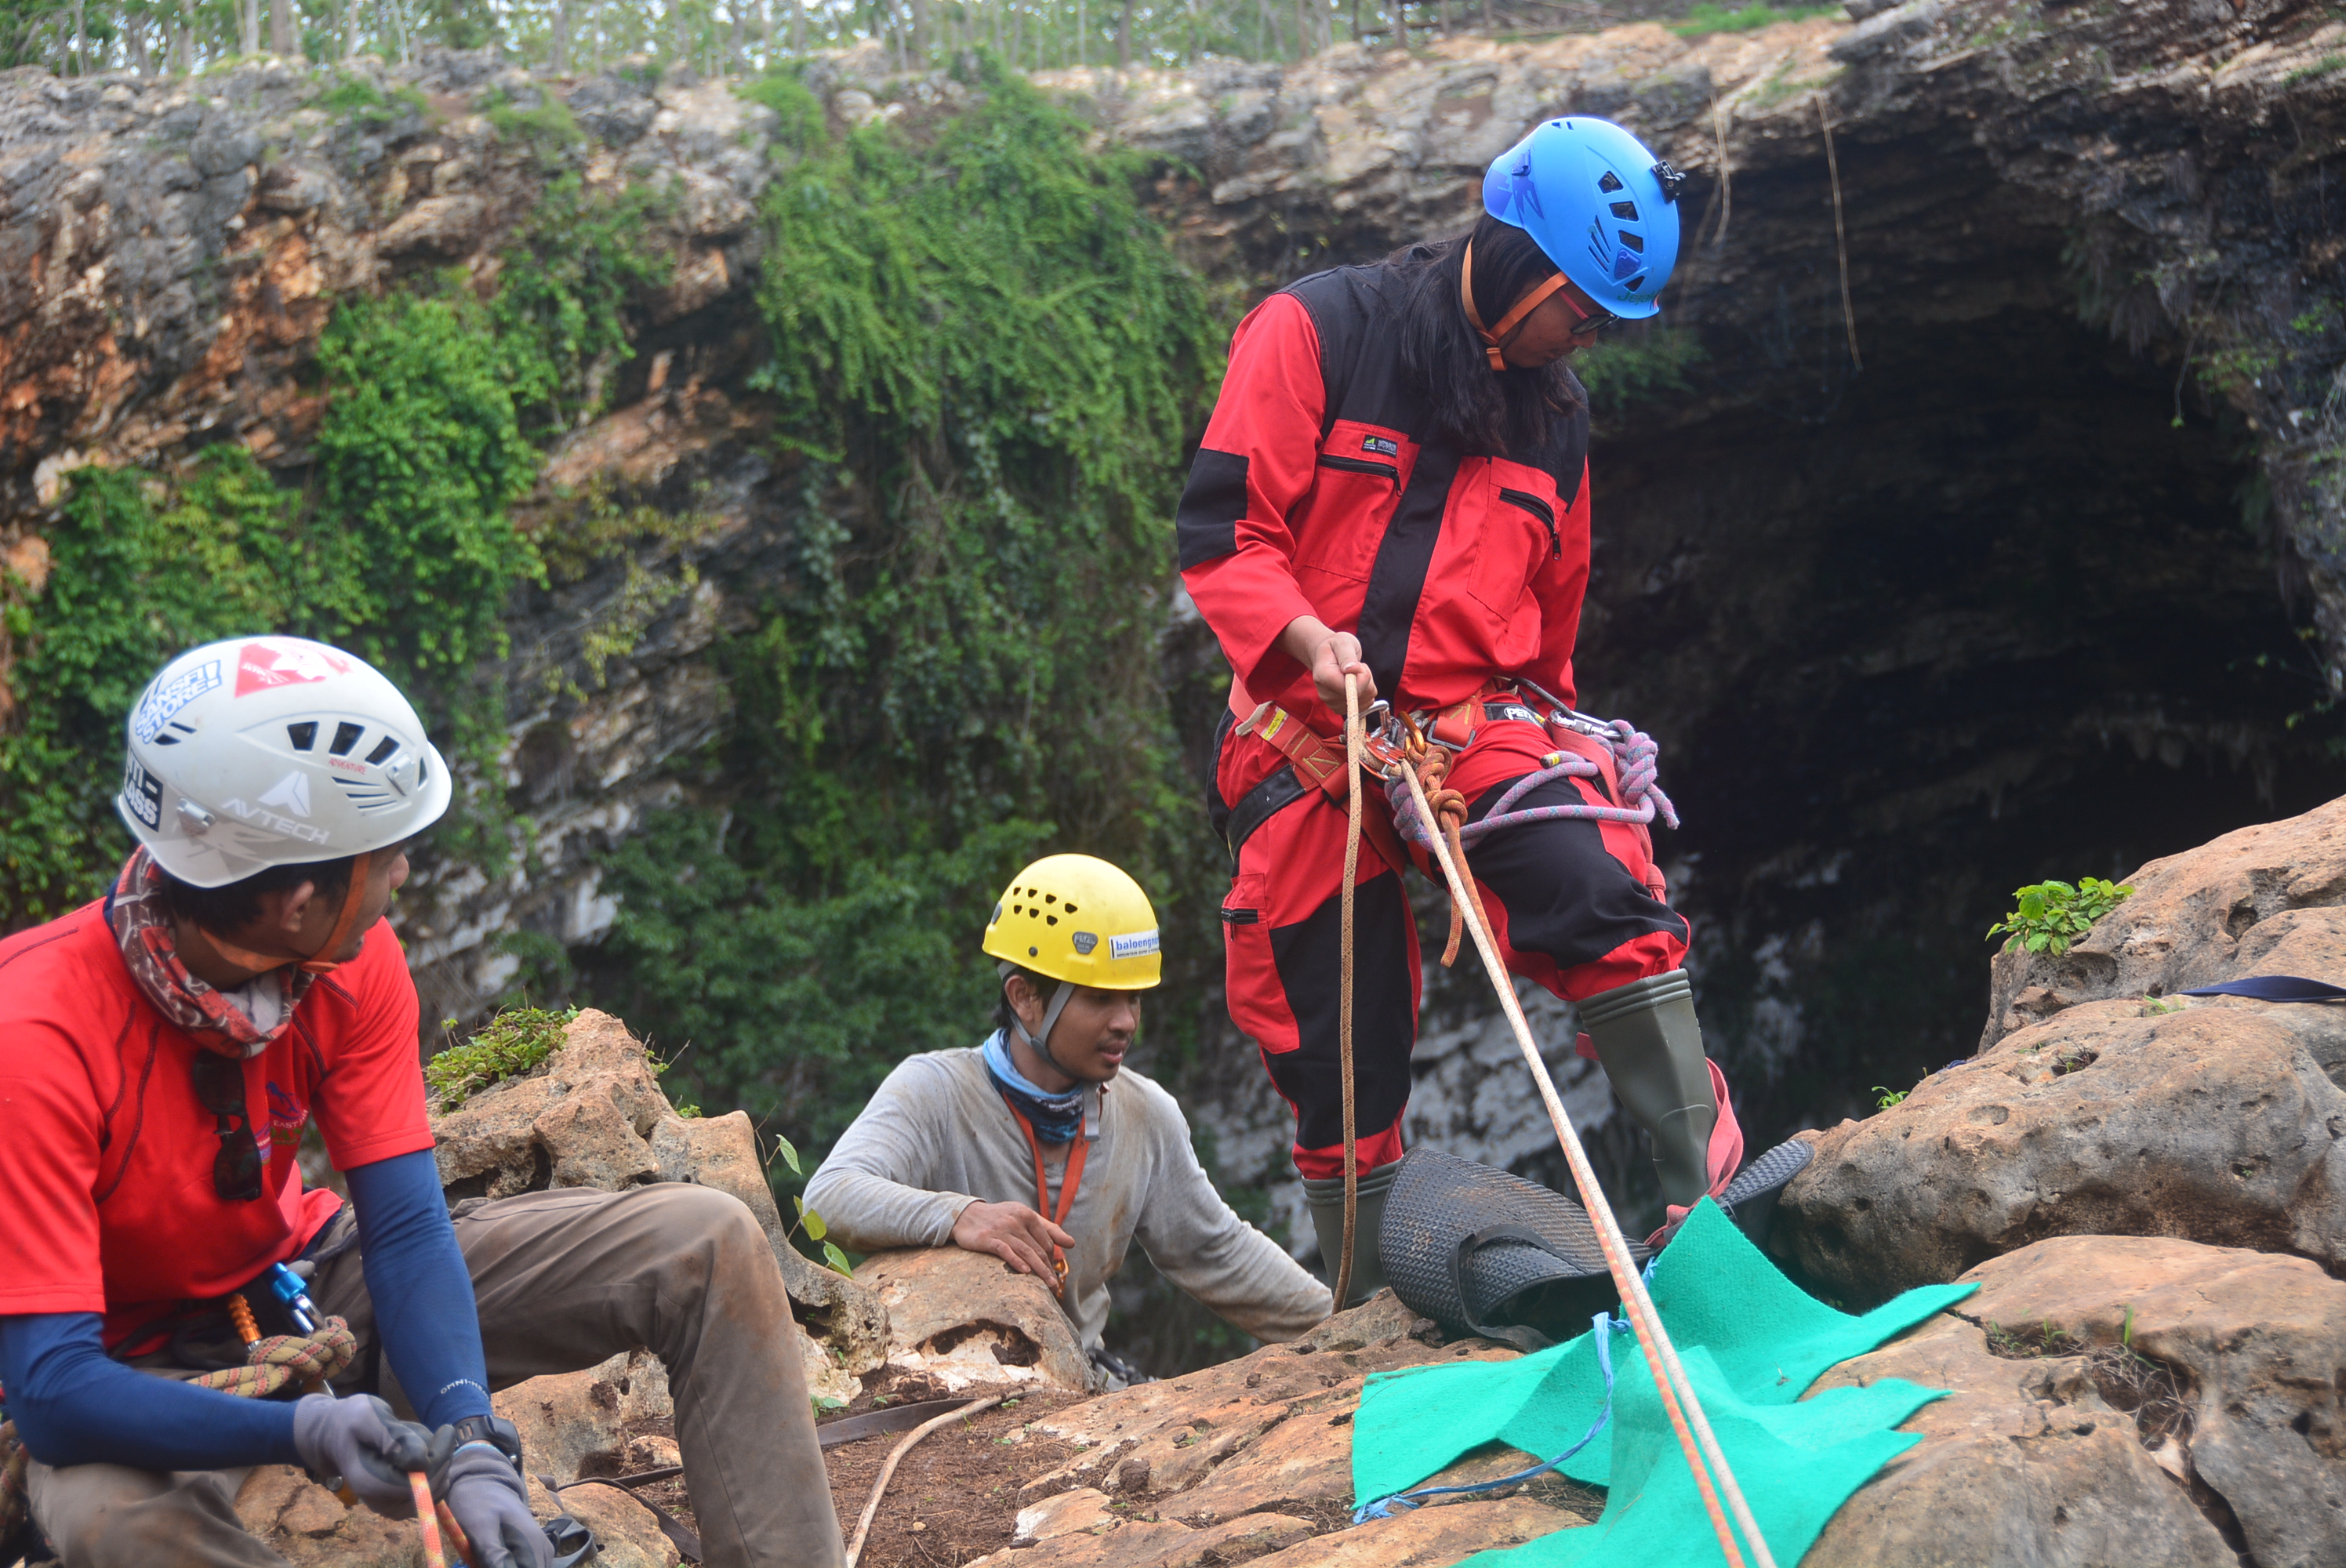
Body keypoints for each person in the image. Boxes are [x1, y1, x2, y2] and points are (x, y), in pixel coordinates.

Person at [0, 636, 843, 1568]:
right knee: (123, 1524)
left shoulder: (349, 964)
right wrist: (300, 1437)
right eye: (385, 851)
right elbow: (52, 1387)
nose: (402, 872)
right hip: (125, 1365)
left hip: (300, 1284)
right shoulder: (34, 1032)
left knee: (705, 1242)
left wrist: (470, 1438)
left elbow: (403, 1229)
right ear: (294, 898)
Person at [1178, 116, 1775, 1302]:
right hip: (1304, 725)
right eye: (1581, 308)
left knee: (1590, 864)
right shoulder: (1319, 331)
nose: (1587, 338)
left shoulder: (1557, 423)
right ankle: (1369, 1297)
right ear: (1518, 258)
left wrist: (1554, 746)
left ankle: (1698, 1186)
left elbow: (1547, 645)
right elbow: (1223, 533)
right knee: (1336, 1031)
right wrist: (1305, 636)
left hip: (1459, 720)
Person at [805, 854, 1330, 1384]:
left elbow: (1215, 1250)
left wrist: (1345, 1322)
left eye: (1134, 999)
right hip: (950, 1380)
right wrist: (960, 1216)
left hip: (1081, 1381)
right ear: (1025, 997)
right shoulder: (935, 1091)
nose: (1125, 1022)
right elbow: (829, 1197)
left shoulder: (1145, 1115)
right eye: (1101, 999)